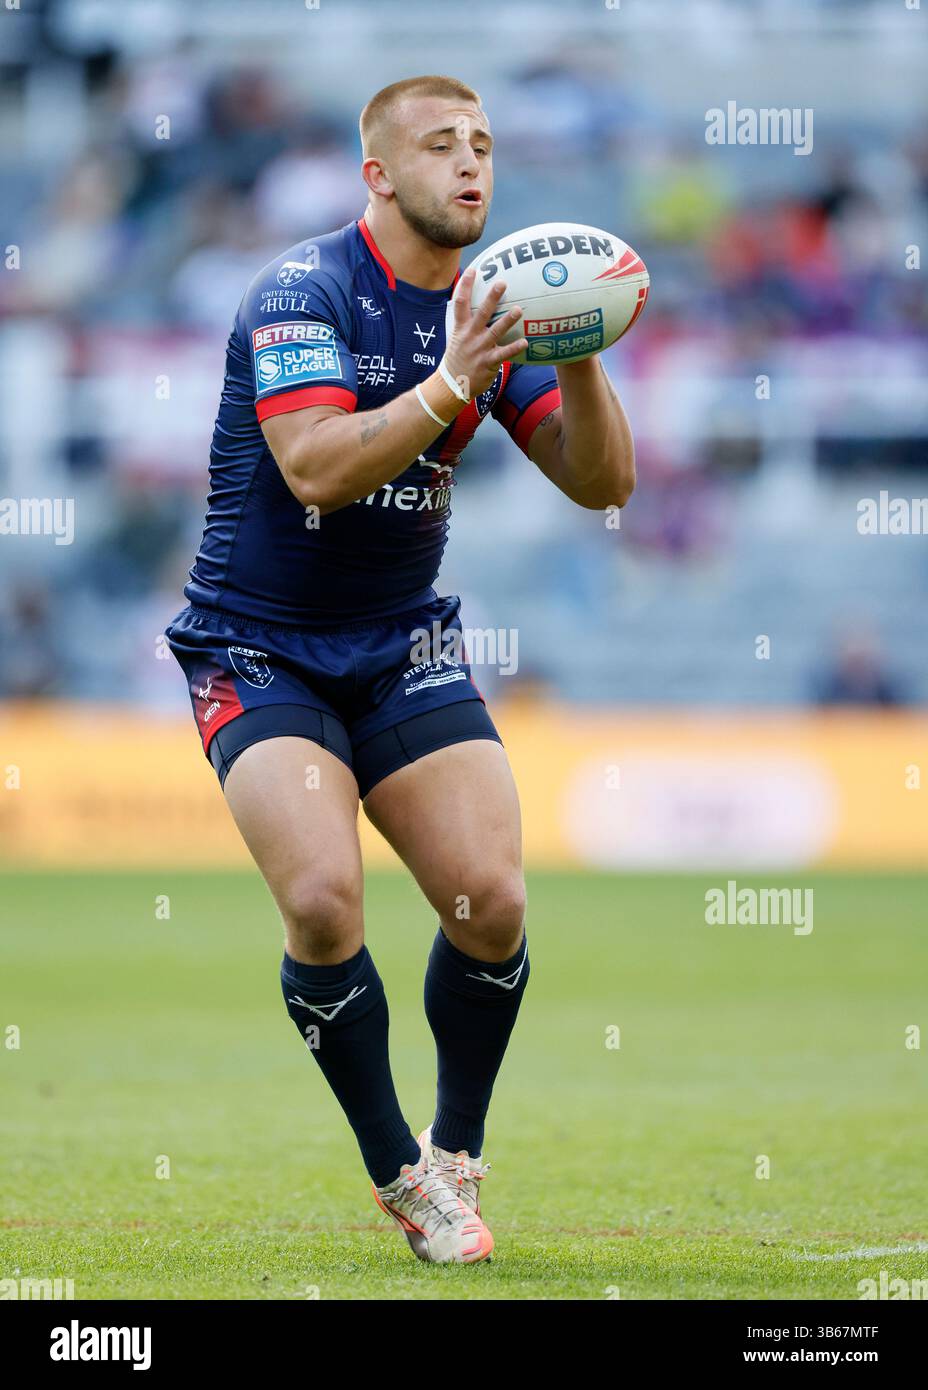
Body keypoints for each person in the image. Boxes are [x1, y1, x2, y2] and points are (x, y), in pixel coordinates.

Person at [166, 74, 635, 1264]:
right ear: (378, 173)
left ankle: (457, 1152)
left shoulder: (490, 308)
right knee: (323, 902)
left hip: (403, 635)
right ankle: (398, 1171)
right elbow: (317, 468)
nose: (471, 164)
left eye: (482, 145)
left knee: (493, 901)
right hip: (257, 641)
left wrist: (574, 346)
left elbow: (605, 484)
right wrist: (454, 379)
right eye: (439, 146)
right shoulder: (302, 290)